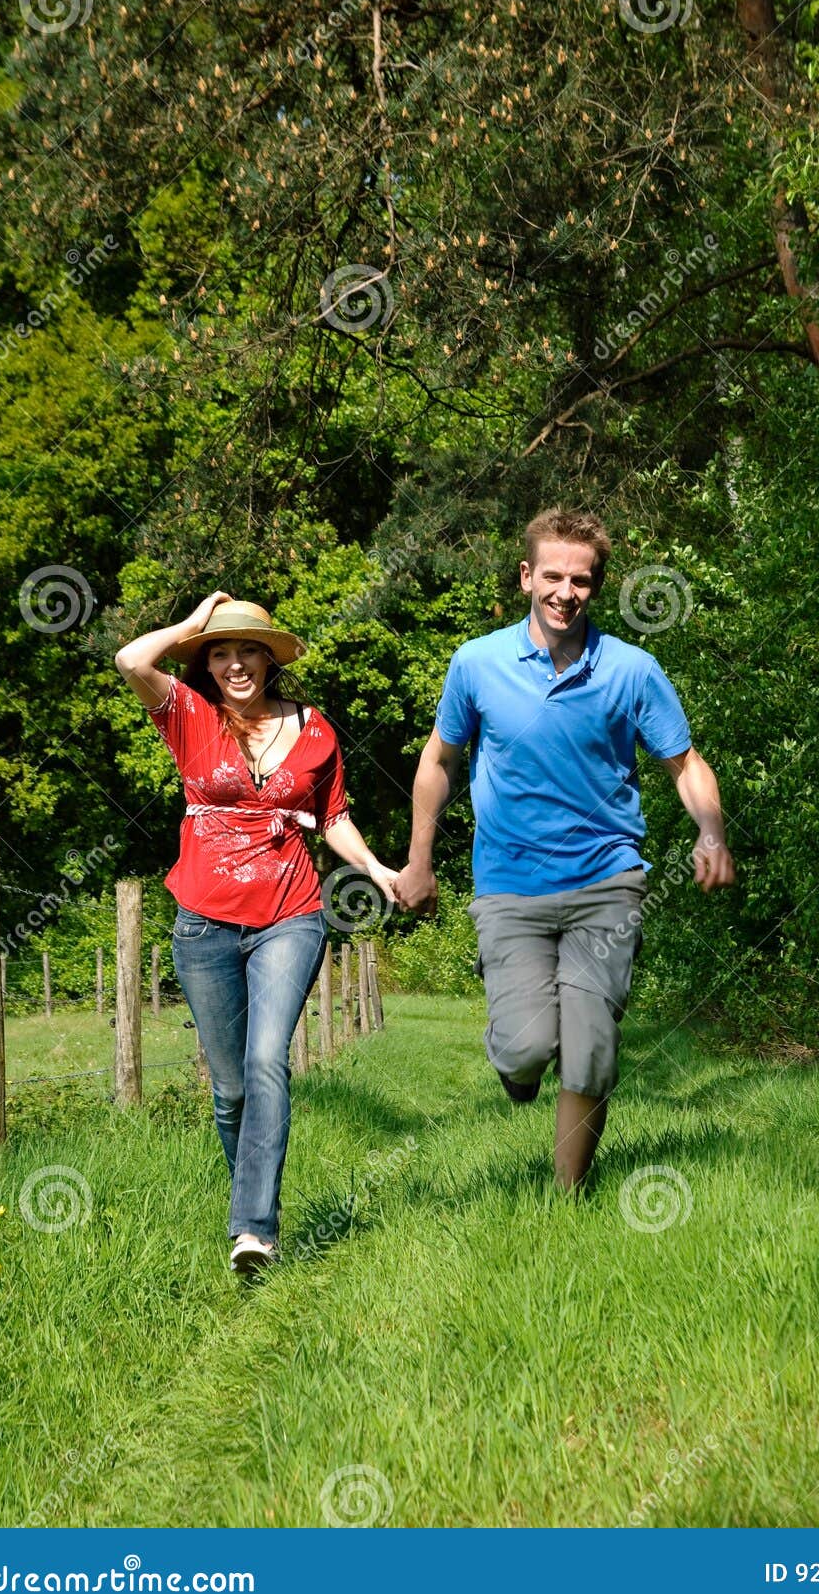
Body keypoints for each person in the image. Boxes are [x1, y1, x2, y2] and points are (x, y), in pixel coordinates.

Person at [394, 510, 735, 1191]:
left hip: (607, 883)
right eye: (551, 575)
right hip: (508, 886)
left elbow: (685, 763)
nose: (563, 592)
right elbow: (439, 759)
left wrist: (710, 832)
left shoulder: (631, 670)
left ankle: (564, 1201)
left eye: (580, 580)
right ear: (526, 577)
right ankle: (517, 1072)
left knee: (589, 1050)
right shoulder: (477, 663)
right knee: (526, 1047)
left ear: (596, 589)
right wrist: (418, 859)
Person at [115, 593, 398, 1272]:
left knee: (268, 1060)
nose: (234, 662)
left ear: (270, 657)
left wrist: (374, 866)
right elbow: (130, 658)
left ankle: (254, 1231)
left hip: (290, 913)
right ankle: (249, 1198)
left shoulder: (316, 729)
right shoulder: (188, 715)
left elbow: (332, 818)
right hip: (203, 919)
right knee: (232, 1087)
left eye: (247, 649)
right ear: (205, 662)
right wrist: (190, 626)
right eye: (220, 651)